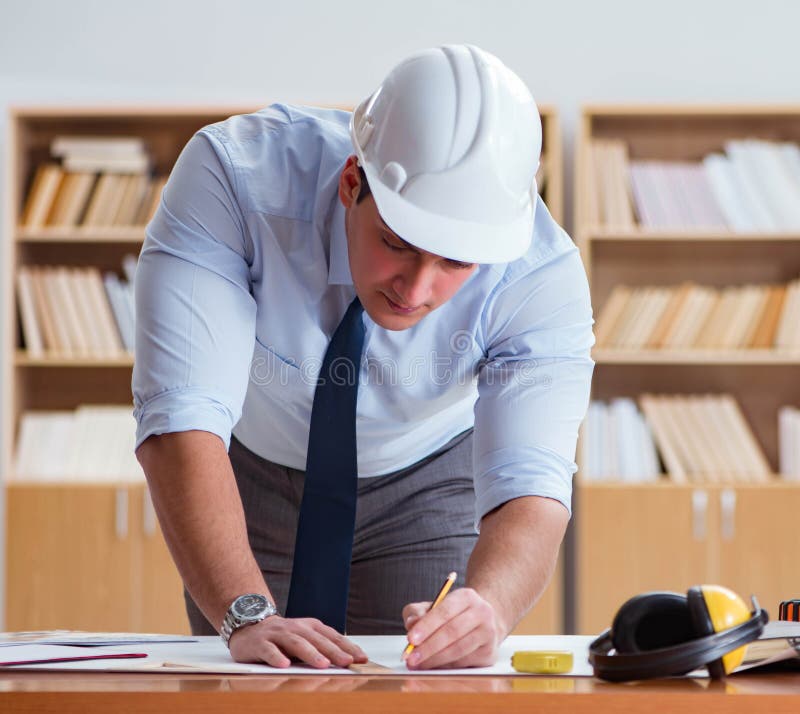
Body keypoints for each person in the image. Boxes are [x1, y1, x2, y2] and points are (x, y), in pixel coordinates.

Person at [133, 44, 594, 671]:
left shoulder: (540, 275)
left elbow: (533, 485)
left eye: (455, 263)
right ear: (353, 182)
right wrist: (242, 611)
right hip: (250, 472)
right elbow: (180, 416)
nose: (416, 288)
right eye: (397, 244)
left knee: (429, 680)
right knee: (256, 682)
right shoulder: (233, 179)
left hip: (425, 478)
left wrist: (489, 608)